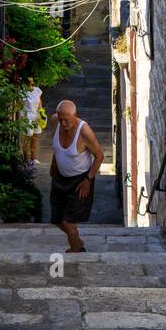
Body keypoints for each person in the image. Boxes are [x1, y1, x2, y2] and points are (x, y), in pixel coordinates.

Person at [49, 99, 104, 252]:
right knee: (56, 219)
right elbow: (57, 148)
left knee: (68, 222)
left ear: (76, 116)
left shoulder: (84, 131)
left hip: (80, 181)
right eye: (61, 120)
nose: (63, 124)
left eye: (67, 120)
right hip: (60, 177)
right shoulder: (55, 122)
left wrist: (88, 179)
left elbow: (99, 156)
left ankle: (76, 251)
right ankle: (77, 241)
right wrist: (54, 164)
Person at [22, 77, 43, 163]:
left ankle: (34, 158)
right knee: (28, 137)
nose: (31, 82)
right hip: (27, 117)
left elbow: (40, 103)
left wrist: (42, 114)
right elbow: (19, 105)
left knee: (35, 137)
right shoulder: (21, 92)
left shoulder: (37, 90)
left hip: (36, 116)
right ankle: (26, 159)